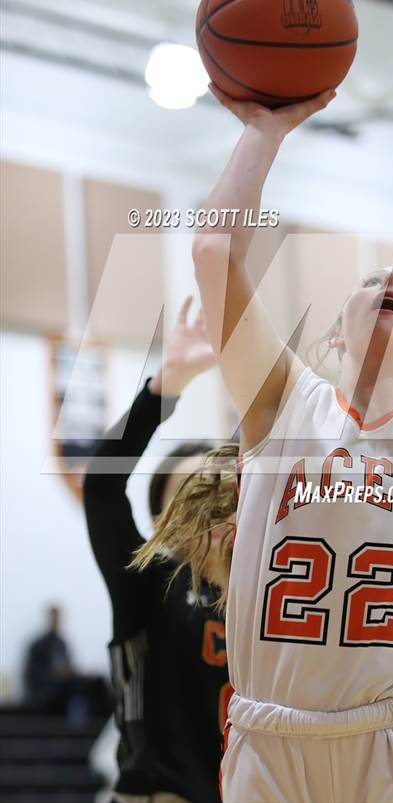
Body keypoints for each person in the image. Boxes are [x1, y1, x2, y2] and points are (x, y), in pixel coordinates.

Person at [151, 45, 393, 802]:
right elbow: (215, 252)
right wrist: (263, 130)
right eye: (374, 278)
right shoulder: (284, 404)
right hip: (270, 747)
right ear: (338, 336)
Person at [83, 297, 233, 803]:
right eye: (193, 496)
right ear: (161, 525)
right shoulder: (147, 582)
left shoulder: (269, 596)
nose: (213, 506)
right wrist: (164, 387)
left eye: (223, 490)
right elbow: (102, 487)